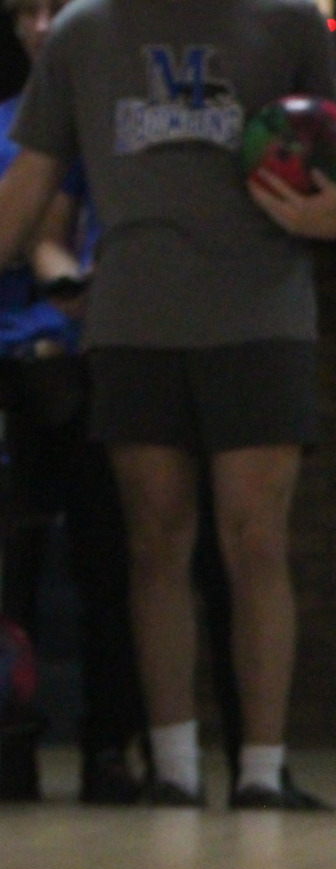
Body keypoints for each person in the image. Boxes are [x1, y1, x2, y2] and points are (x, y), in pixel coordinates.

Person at [0, 0, 336, 809]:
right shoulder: (84, 32)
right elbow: (29, 183)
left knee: (254, 538)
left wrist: (327, 212)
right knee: (155, 541)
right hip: (135, 315)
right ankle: (173, 769)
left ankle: (262, 771)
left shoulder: (290, 22)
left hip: (260, 313)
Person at [0, 0, 143, 805]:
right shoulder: (6, 126)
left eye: (60, 8)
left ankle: (110, 748)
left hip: (99, 363)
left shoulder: (119, 127)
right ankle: (11, 747)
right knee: (10, 574)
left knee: (114, 565)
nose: (44, 26)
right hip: (13, 366)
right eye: (30, 11)